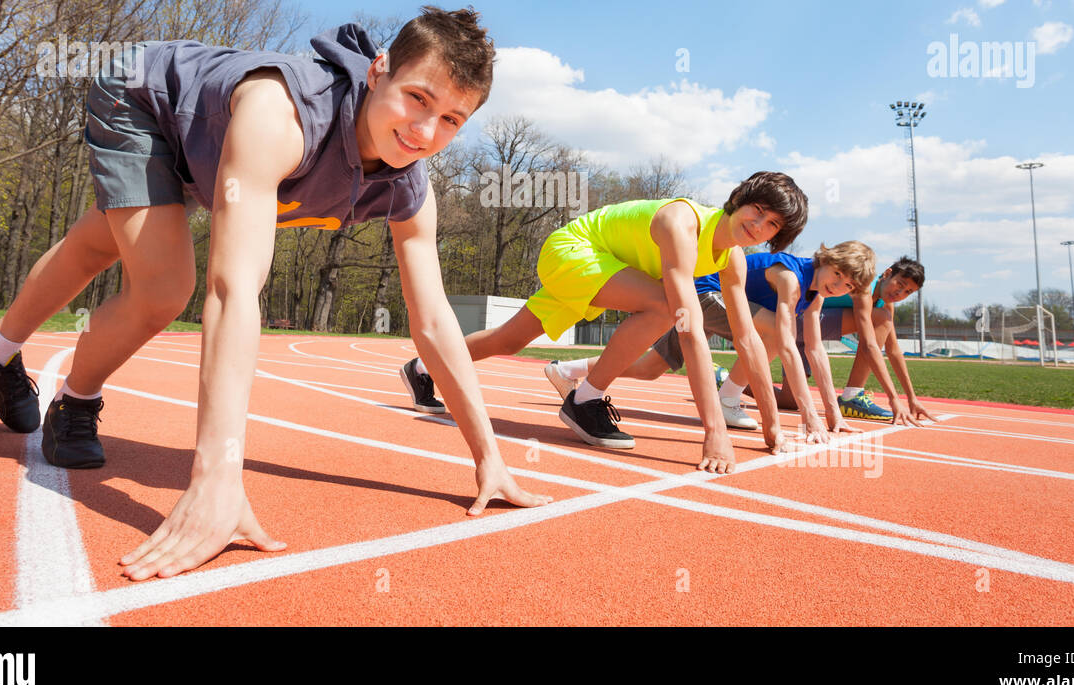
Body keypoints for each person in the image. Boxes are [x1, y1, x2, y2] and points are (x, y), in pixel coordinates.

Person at [0, 6, 551, 582]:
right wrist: (217, 476)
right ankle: (76, 400)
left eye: (452, 120)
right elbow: (233, 289)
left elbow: (433, 320)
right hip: (142, 98)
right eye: (418, 98)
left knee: (101, 243)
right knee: (166, 287)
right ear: (377, 71)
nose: (425, 131)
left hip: (206, 147)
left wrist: (488, 456)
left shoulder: (409, 185)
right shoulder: (282, 115)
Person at [400, 171, 810, 471]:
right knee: (668, 308)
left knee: (509, 340)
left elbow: (749, 340)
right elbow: (689, 332)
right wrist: (714, 430)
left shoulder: (733, 259)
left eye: (772, 224)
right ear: (738, 200)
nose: (758, 225)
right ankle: (585, 399)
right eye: (757, 210)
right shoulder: (683, 223)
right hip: (574, 251)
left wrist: (773, 427)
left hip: (606, 269)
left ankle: (421, 368)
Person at [564, 242, 880, 452]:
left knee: (650, 369)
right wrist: (809, 416)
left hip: (722, 304)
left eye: (848, 286)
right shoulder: (791, 279)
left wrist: (833, 414)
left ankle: (567, 370)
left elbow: (815, 350)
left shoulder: (816, 296)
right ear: (826, 259)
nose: (838, 285)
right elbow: (786, 344)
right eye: (837, 274)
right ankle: (728, 399)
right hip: (703, 293)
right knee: (773, 332)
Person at [777, 256, 939, 424]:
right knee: (882, 318)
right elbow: (869, 345)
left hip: (807, 333)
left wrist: (911, 397)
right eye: (900, 284)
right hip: (798, 322)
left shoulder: (886, 303)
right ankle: (852, 396)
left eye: (908, 292)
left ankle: (748, 385)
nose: (900, 293)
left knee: (789, 401)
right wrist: (893, 399)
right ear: (887, 273)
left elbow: (893, 350)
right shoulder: (865, 287)